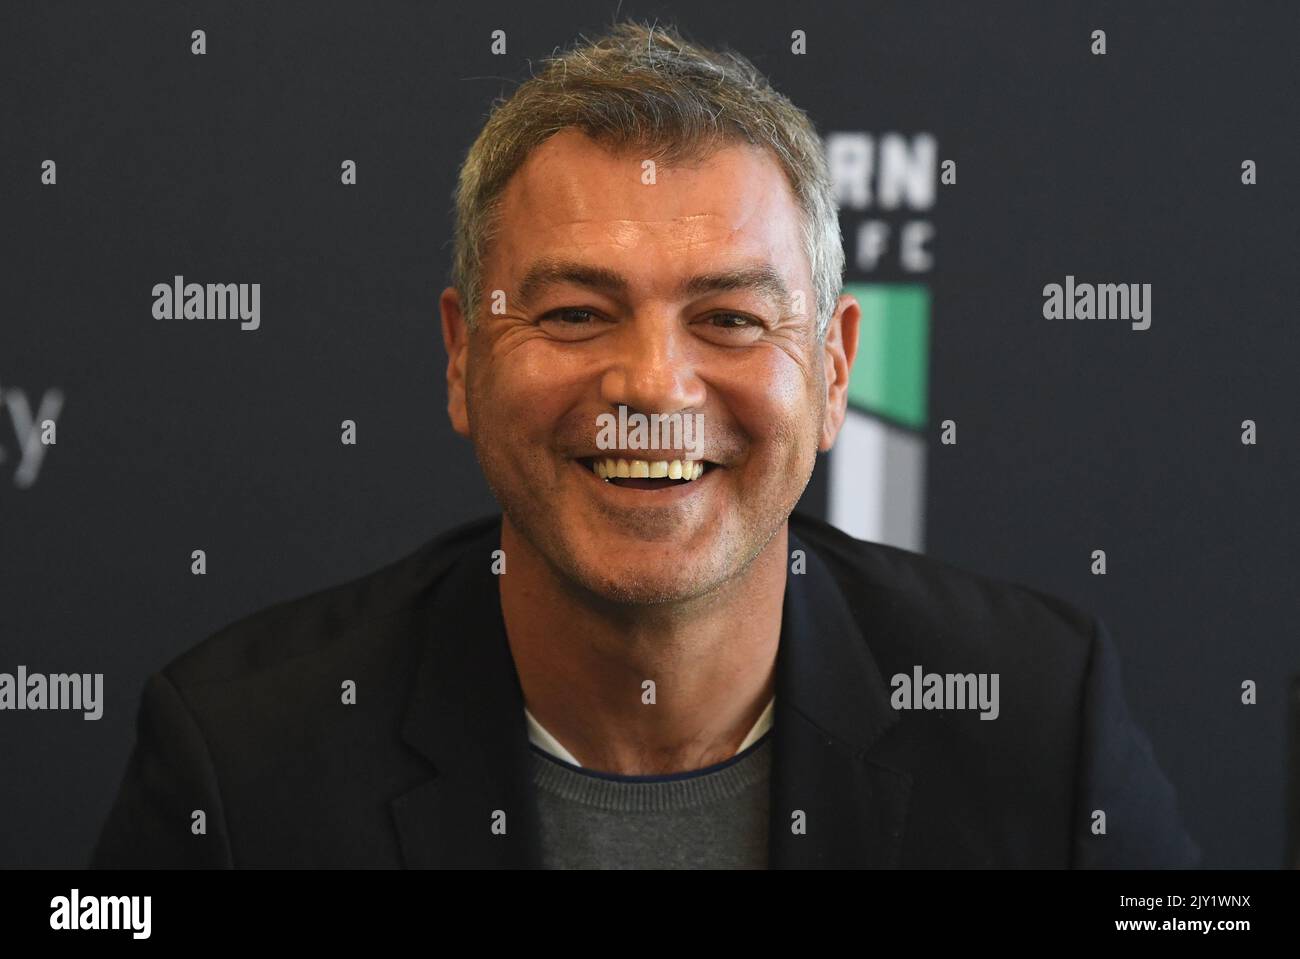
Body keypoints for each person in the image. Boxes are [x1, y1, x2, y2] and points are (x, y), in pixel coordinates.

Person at [91, 20, 1199, 868]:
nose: (651, 386)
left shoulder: (1043, 717)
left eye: (728, 318)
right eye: (574, 311)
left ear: (833, 370)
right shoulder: (240, 758)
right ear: (462, 354)